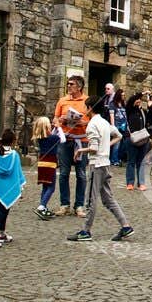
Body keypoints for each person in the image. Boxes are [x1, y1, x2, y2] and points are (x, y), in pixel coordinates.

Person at [69, 95, 132, 243]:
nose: (84, 110)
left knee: (91, 199)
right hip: (106, 164)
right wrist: (107, 146)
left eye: (86, 107)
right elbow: (118, 136)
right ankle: (126, 226)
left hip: (96, 165)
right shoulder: (104, 122)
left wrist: (79, 151)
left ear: (90, 108)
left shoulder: (92, 125)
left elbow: (94, 148)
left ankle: (85, 231)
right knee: (108, 199)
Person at [52, 74, 89, 215]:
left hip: (81, 140)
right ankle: (64, 204)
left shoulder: (86, 101)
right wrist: (59, 121)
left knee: (81, 174)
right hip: (65, 139)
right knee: (63, 173)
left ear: (79, 87)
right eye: (68, 84)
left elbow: (92, 121)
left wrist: (81, 122)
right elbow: (55, 118)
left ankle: (79, 205)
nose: (68, 86)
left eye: (71, 84)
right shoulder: (62, 101)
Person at [32, 116, 61, 220]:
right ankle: (41, 206)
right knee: (51, 187)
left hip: (42, 164)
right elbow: (61, 138)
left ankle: (43, 207)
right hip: (50, 164)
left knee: (45, 186)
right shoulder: (53, 138)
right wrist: (59, 127)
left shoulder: (41, 138)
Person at [123, 91, 149, 190]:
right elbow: (131, 100)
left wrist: (150, 108)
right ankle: (130, 182)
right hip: (131, 138)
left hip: (143, 138)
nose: (138, 101)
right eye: (137, 99)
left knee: (141, 162)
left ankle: (141, 183)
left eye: (140, 100)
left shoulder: (142, 111)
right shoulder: (129, 110)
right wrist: (142, 93)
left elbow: (150, 121)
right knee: (131, 161)